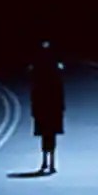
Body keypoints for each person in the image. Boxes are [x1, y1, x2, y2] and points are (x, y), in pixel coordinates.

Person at [30, 41, 65, 173]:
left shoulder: (39, 70)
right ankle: (49, 162)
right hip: (49, 106)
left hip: (47, 106)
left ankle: (47, 162)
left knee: (47, 135)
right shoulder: (53, 69)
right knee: (49, 135)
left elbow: (35, 91)